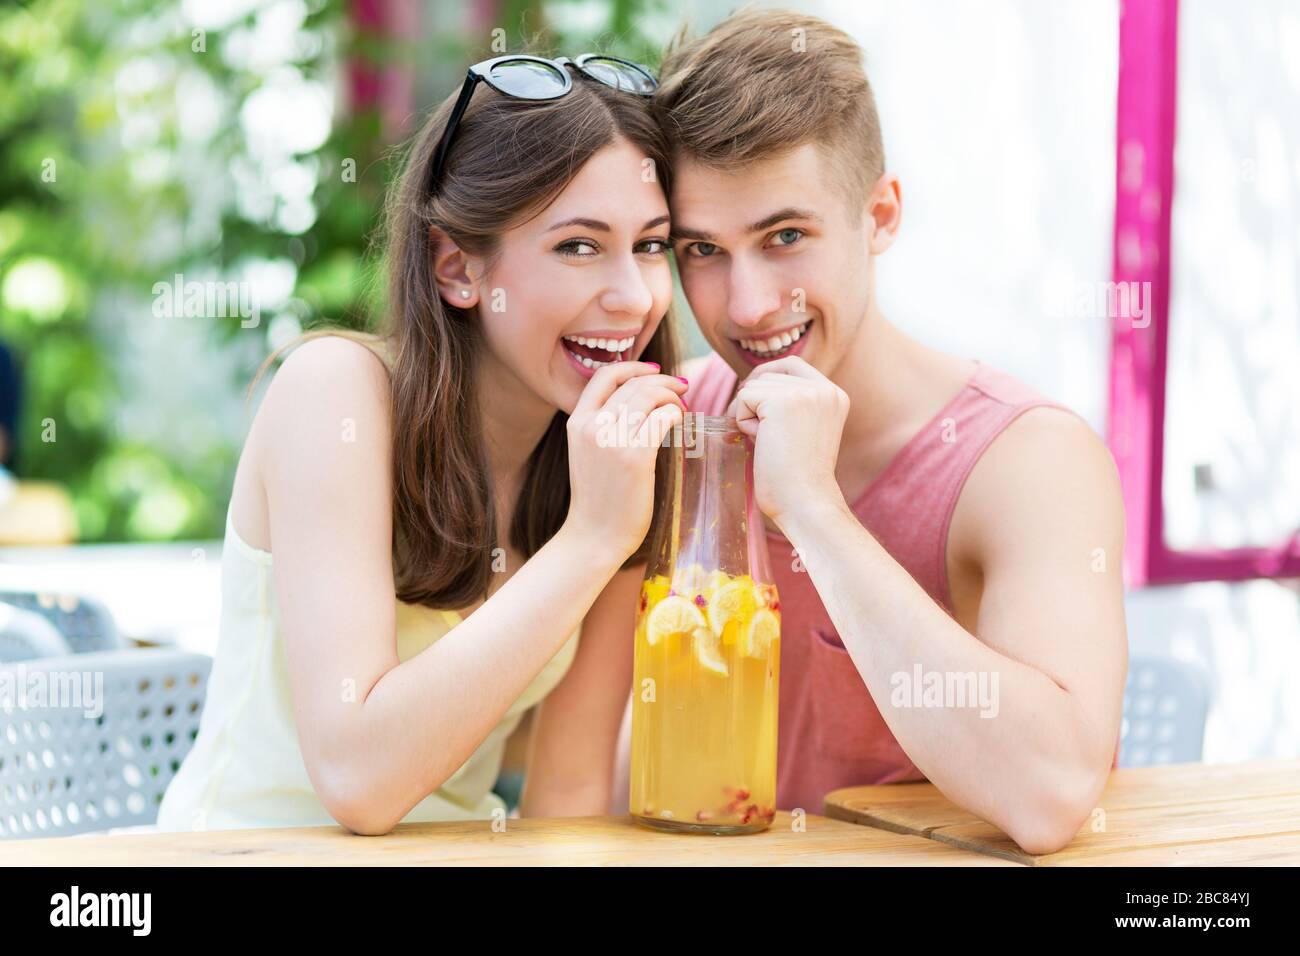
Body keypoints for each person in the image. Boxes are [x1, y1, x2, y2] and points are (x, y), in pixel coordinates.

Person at [616, 9, 1128, 855]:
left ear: (881, 216)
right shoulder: (682, 429)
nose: (744, 307)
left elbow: (1052, 793)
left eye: (786, 236)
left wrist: (814, 508)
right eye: (703, 250)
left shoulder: (1028, 459)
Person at [158, 52, 688, 834]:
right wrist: (591, 542)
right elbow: (357, 778)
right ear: (456, 266)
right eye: (578, 246)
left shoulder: (612, 458)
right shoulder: (334, 395)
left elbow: (567, 796)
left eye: (651, 246)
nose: (633, 296)